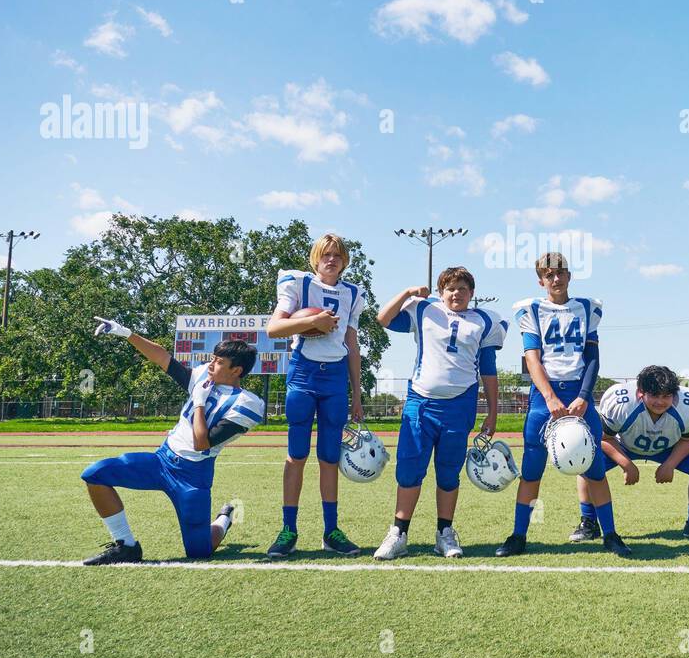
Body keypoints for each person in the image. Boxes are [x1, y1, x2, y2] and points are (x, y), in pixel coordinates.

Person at [81, 317, 263, 564]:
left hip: (192, 476)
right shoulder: (202, 377)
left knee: (199, 551)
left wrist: (199, 401)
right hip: (162, 460)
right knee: (95, 474)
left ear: (236, 371)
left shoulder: (247, 404)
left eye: (219, 362)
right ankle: (126, 545)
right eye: (212, 358)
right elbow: (162, 358)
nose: (211, 365)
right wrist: (126, 333)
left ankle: (224, 519)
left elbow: (202, 443)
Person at [496, 252, 631, 558]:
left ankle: (610, 534)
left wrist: (584, 395)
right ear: (541, 280)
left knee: (595, 470)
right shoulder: (531, 309)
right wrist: (550, 397)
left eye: (561, 273)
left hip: (580, 396)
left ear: (569, 275)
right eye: (549, 275)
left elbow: (593, 358)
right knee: (531, 472)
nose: (555, 279)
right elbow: (532, 358)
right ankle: (518, 535)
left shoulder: (586, 308)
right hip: (545, 400)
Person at [372, 267, 506, 560]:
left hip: (460, 405)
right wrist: (407, 293)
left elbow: (489, 370)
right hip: (421, 402)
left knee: (448, 472)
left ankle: (445, 533)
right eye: (449, 288)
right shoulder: (424, 310)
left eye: (462, 288)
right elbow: (383, 318)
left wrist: (493, 412)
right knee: (409, 470)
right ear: (440, 291)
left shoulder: (484, 320)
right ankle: (398, 533)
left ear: (471, 292)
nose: (455, 293)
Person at [265, 233, 366, 559]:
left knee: (329, 457)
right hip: (304, 373)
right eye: (326, 254)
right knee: (297, 454)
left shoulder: (352, 293)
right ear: (315, 258)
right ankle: (288, 529)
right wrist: (313, 321)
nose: (331, 260)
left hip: (335, 377)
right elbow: (273, 328)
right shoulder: (297, 283)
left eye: (337, 255)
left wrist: (357, 395)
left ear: (345, 260)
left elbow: (352, 345)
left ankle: (331, 530)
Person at [589, 365, 689, 542]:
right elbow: (604, 438)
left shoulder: (687, 407)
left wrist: (670, 464)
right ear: (640, 393)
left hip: (667, 447)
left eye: (666, 396)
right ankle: (589, 522)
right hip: (623, 445)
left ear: (674, 395)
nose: (660, 402)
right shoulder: (622, 405)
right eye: (654, 395)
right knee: (588, 463)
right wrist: (626, 464)